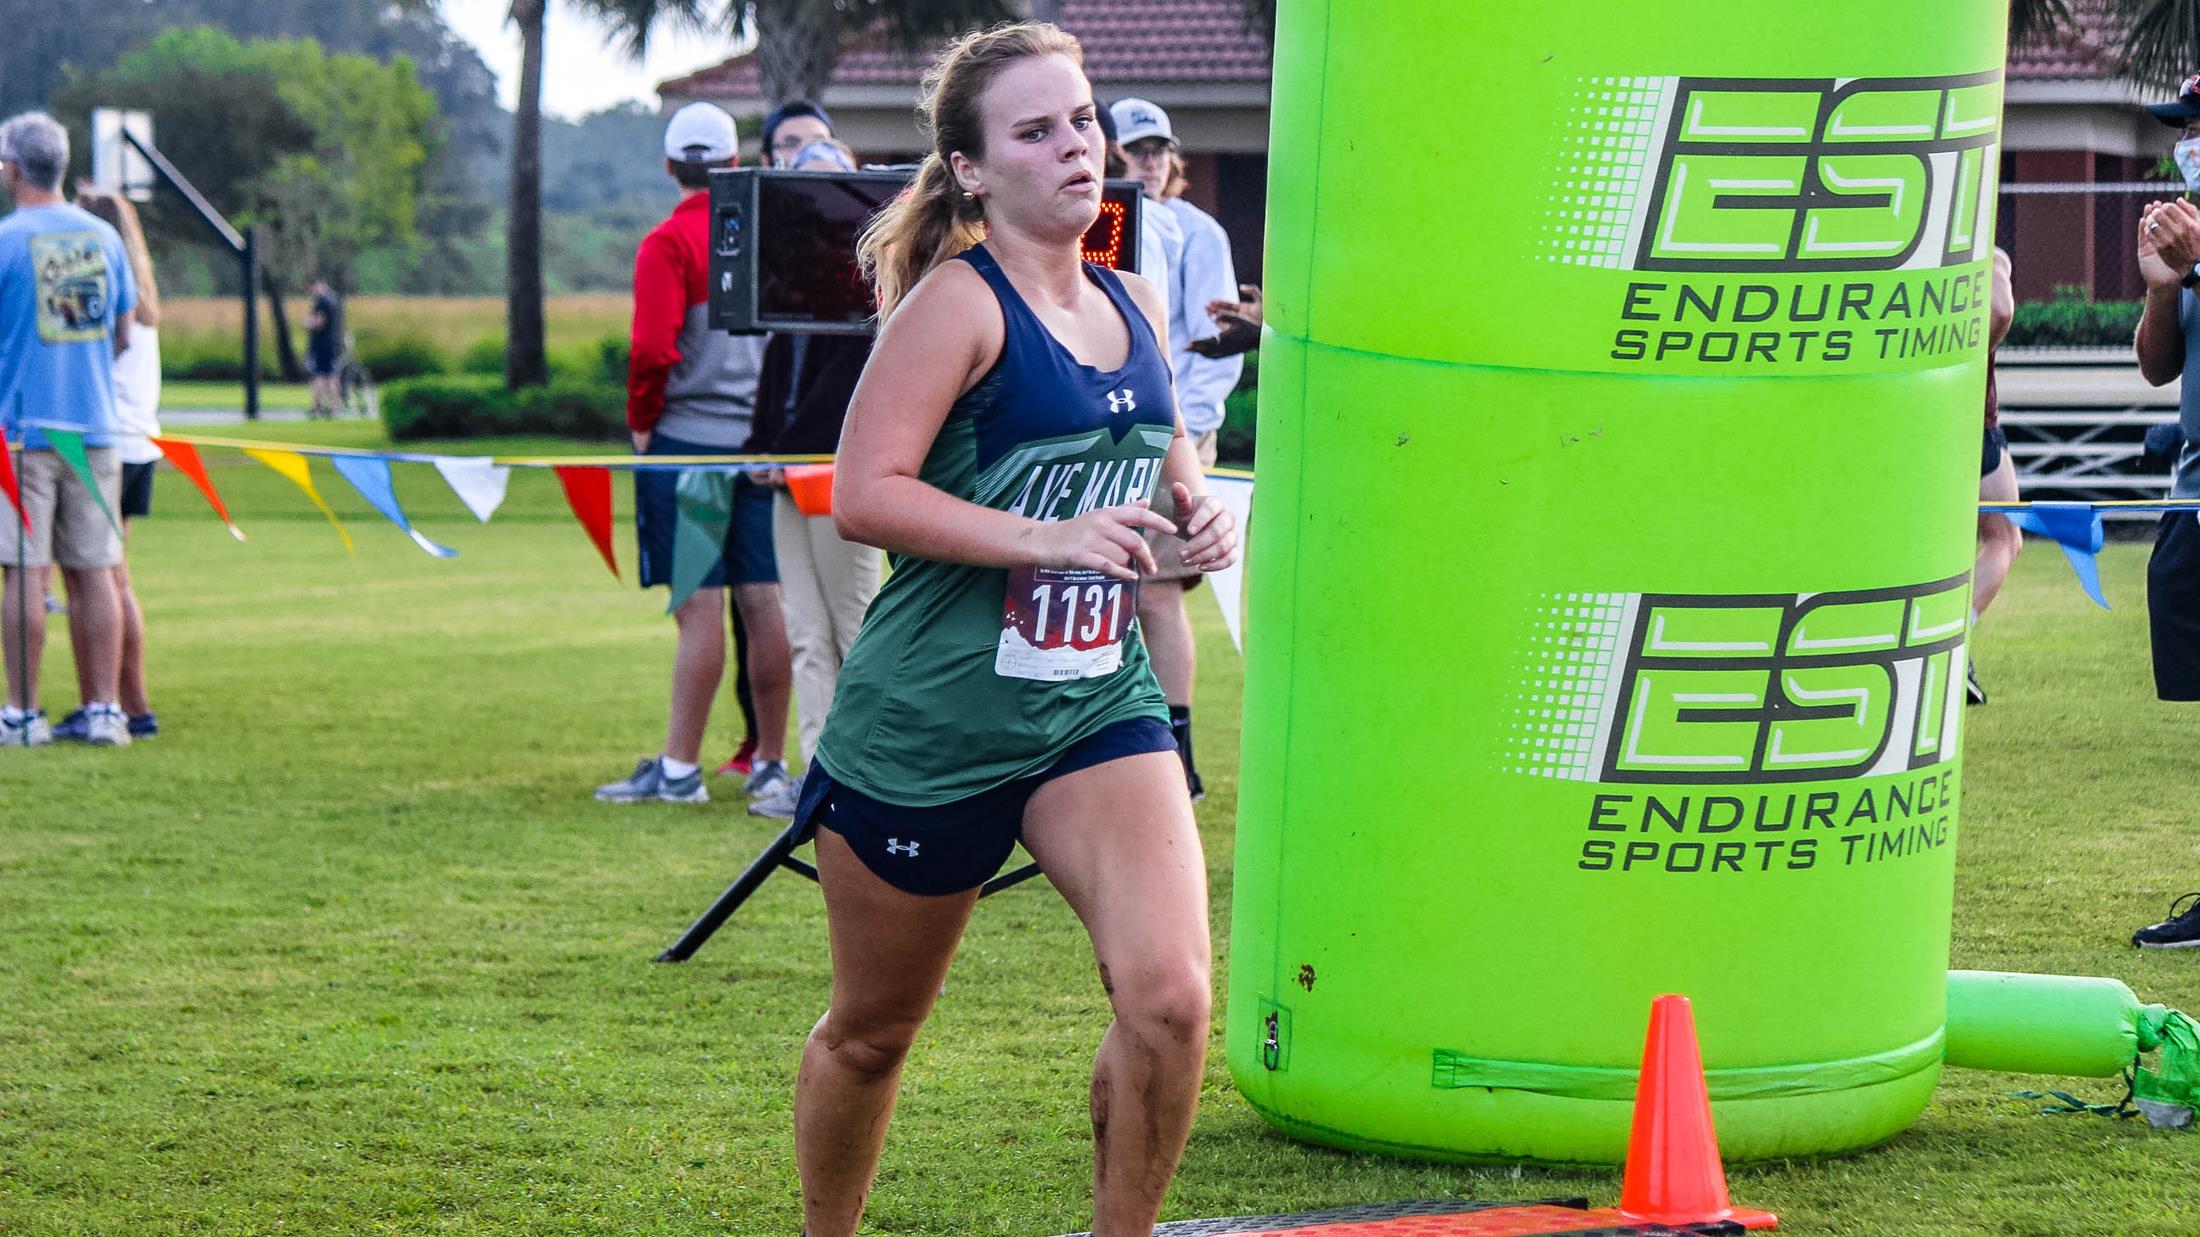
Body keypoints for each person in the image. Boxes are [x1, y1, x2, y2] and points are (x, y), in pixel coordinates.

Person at [790, 24, 1237, 1234]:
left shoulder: (1133, 296)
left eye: (1081, 120)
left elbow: (1160, 480)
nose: (1074, 148)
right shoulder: (954, 305)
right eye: (1035, 131)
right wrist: (1044, 538)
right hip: (930, 722)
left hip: (1094, 701)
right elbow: (865, 491)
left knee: (1172, 998)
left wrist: (1189, 530)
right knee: (875, 1034)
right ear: (973, 171)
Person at [596, 102, 794, 807]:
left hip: (686, 449)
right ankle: (771, 761)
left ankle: (680, 770)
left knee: (700, 608)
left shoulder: (667, 243)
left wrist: (642, 421)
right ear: (735, 164)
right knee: (765, 603)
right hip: (757, 448)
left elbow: (652, 349)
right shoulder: (766, 240)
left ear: (670, 166)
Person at [745, 137, 884, 820]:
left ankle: (868, 774)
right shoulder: (785, 288)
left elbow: (847, 392)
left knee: (854, 624)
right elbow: (777, 385)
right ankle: (817, 776)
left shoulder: (873, 292)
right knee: (804, 629)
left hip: (838, 480)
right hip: (786, 483)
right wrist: (759, 449)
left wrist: (790, 449)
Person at [1111, 96, 1243, 801]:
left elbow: (1212, 348)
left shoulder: (1197, 232)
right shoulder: (1102, 226)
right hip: (1115, 431)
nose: (1152, 161)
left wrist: (1176, 432)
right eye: (1137, 150)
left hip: (1168, 432)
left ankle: (1177, 754)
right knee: (1112, 593)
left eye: (1160, 148)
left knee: (1155, 596)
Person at [0, 112, 137, 748]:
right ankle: (103, 711)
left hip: (23, 430)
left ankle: (24, 715)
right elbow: (124, 331)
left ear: (12, 168)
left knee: (25, 572)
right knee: (95, 570)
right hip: (95, 428)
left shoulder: (5, 240)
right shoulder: (105, 239)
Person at [2129, 73, 2200, 949]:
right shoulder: (2185, 227)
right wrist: (2161, 285)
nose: (2189, 141)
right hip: (2191, 488)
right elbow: (2156, 367)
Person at [54, 188, 161, 741]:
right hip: (141, 446)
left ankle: (123, 705)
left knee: (101, 580)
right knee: (115, 579)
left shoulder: (102, 297)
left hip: (108, 447)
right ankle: (127, 703)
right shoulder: (142, 300)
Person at [1968, 248, 2018, 706]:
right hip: (1968, 425)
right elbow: (2000, 309)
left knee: (2004, 535)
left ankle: (1950, 647)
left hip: (1911, 421)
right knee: (2003, 538)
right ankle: (1954, 643)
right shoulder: (1984, 252)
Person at [305, 279, 343, 418]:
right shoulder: (333, 300)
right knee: (333, 376)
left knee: (320, 376)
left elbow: (319, 322)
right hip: (333, 344)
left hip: (322, 345)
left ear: (316, 286)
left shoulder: (322, 302)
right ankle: (334, 406)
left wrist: (307, 323)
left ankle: (316, 407)